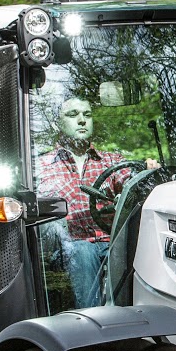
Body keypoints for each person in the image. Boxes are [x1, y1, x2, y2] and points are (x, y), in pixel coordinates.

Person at [36, 95, 131, 306]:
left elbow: (129, 182)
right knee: (82, 251)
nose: (82, 120)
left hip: (111, 243)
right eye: (73, 114)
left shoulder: (111, 160)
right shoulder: (42, 165)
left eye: (87, 115)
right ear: (56, 123)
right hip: (69, 247)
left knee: (131, 247)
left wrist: (141, 178)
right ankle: (92, 323)